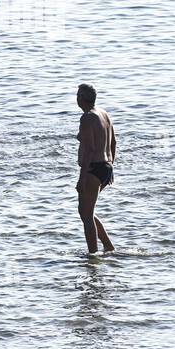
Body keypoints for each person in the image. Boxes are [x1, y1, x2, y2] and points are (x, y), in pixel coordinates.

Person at [76, 83, 116, 253]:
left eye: (78, 95)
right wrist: (111, 165)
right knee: (85, 211)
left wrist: (82, 178)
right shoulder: (103, 113)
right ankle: (107, 246)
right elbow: (113, 142)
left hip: (93, 168)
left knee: (86, 214)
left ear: (82, 99)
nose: (76, 98)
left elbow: (90, 149)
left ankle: (93, 254)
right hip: (105, 167)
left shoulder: (87, 118)